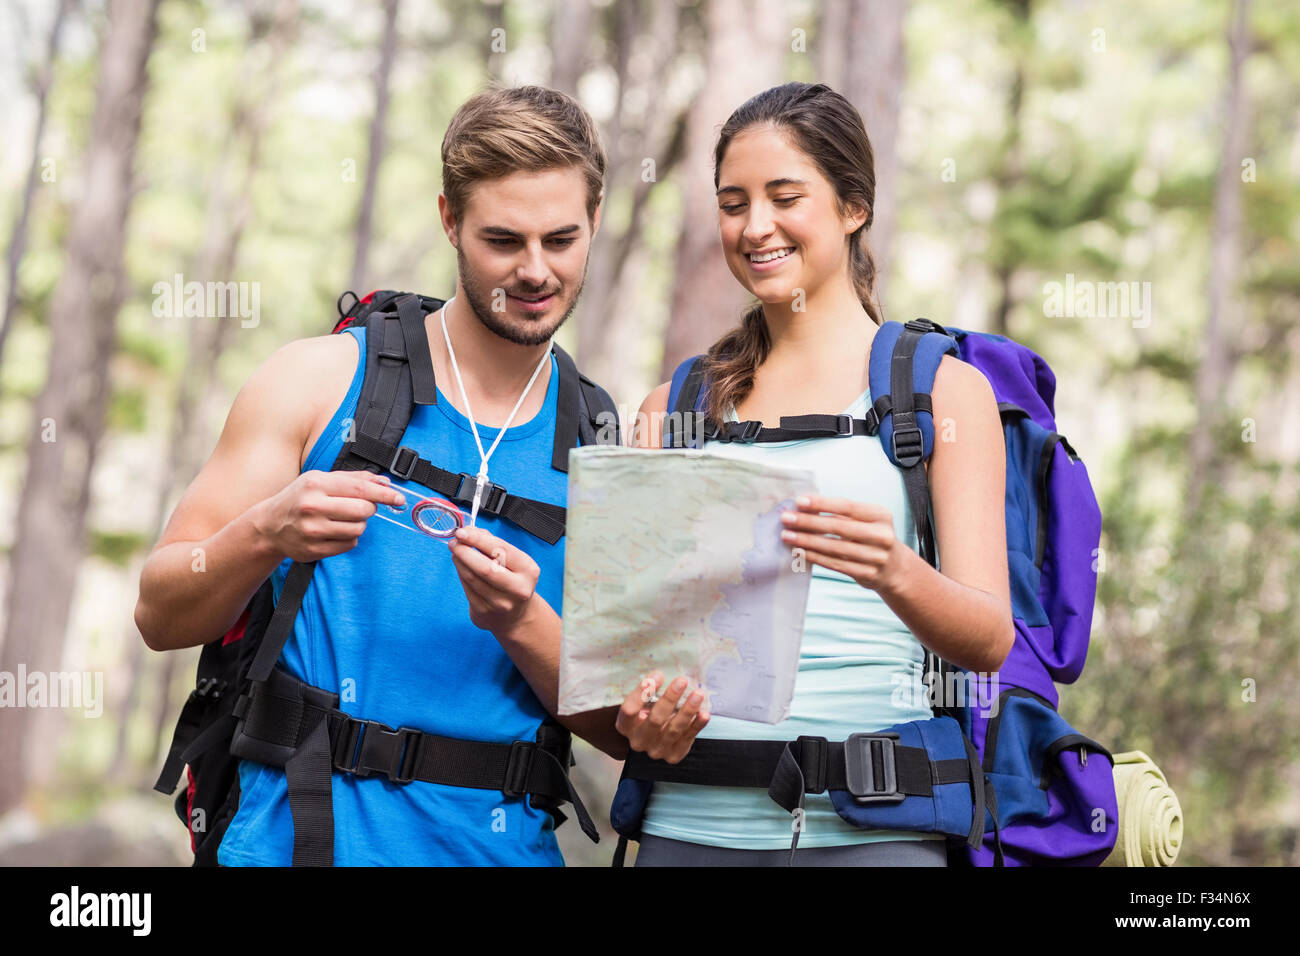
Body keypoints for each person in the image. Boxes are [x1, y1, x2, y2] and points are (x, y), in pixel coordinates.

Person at [135, 84, 698, 866]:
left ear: (596, 223)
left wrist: (519, 620)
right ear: (449, 222)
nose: (536, 271)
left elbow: (618, 729)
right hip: (295, 844)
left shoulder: (610, 444)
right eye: (503, 240)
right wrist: (267, 532)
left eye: (562, 240)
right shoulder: (318, 380)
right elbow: (160, 613)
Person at [621, 82, 1014, 866]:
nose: (755, 226)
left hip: (875, 835)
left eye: (784, 196)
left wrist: (896, 570)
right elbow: (643, 647)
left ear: (853, 207)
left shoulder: (937, 391)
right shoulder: (675, 406)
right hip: (688, 824)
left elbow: (989, 640)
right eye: (733, 203)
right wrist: (639, 711)